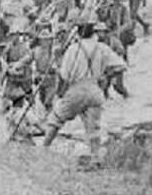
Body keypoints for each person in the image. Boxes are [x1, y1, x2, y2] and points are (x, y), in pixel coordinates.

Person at [42, 22, 126, 154]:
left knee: (57, 118)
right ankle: (95, 156)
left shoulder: (73, 49)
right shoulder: (101, 48)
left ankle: (44, 148)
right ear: (93, 33)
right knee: (93, 128)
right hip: (95, 90)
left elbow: (65, 75)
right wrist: (105, 75)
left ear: (78, 34)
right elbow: (121, 66)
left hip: (77, 89)